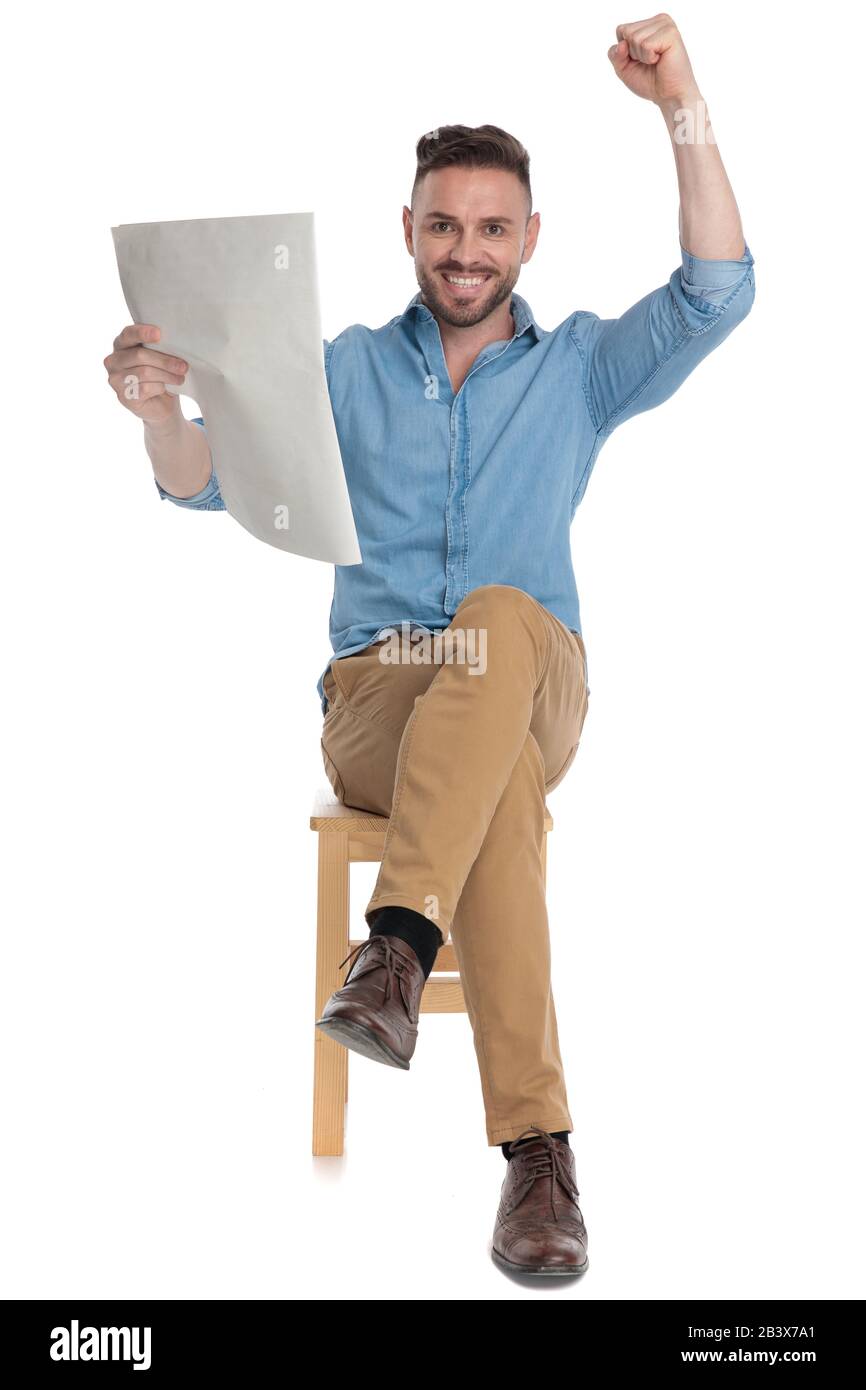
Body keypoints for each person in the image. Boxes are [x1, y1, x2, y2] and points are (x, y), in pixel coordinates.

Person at [103, 15, 755, 1280]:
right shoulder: (337, 370)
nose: (466, 250)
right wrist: (156, 411)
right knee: (491, 773)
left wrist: (679, 97)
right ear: (406, 231)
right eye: (443, 225)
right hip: (379, 705)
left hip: (531, 672)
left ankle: (392, 943)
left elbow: (718, 288)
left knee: (499, 624)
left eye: (491, 227)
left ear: (527, 239)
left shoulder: (575, 370)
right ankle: (539, 1159)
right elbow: (202, 483)